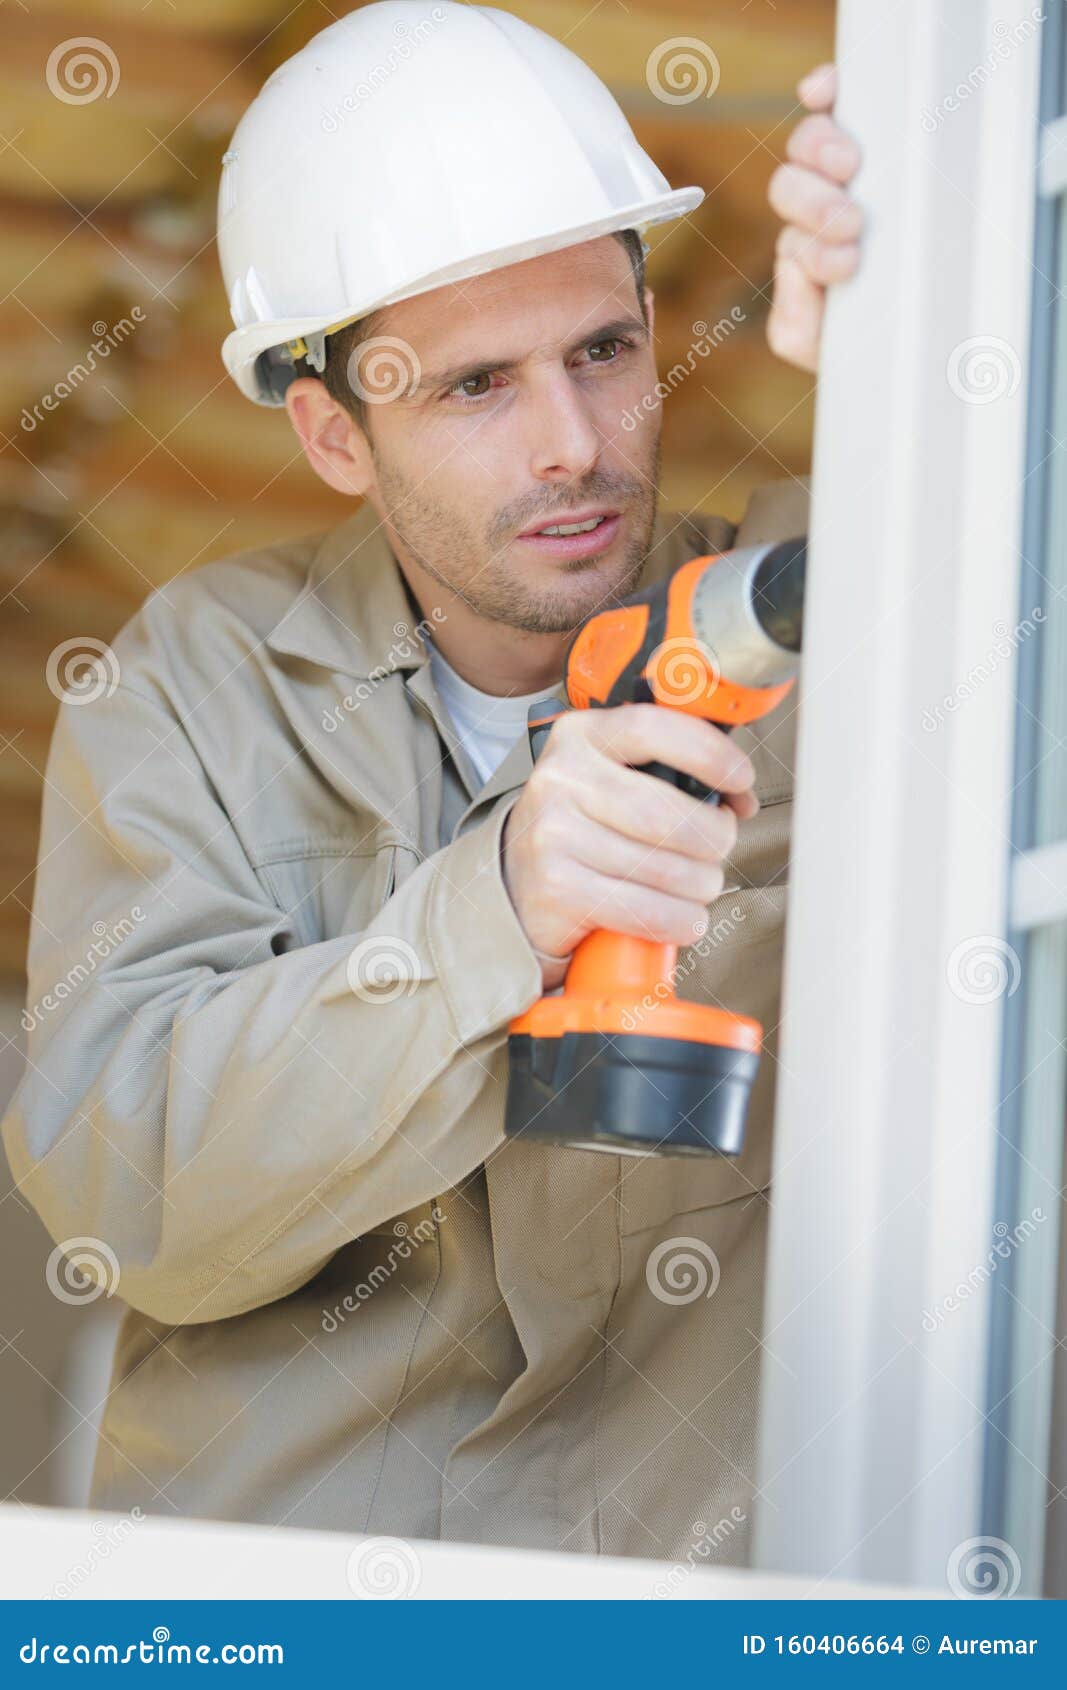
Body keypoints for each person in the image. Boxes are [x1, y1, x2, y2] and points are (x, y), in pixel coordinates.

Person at [1, 4, 861, 1562]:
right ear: (335, 432)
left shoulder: (814, 631)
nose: (573, 446)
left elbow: (1002, 640)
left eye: (604, 352)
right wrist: (500, 912)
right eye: (475, 386)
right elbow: (126, 1188)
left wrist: (915, 368)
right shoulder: (190, 690)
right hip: (278, 1618)